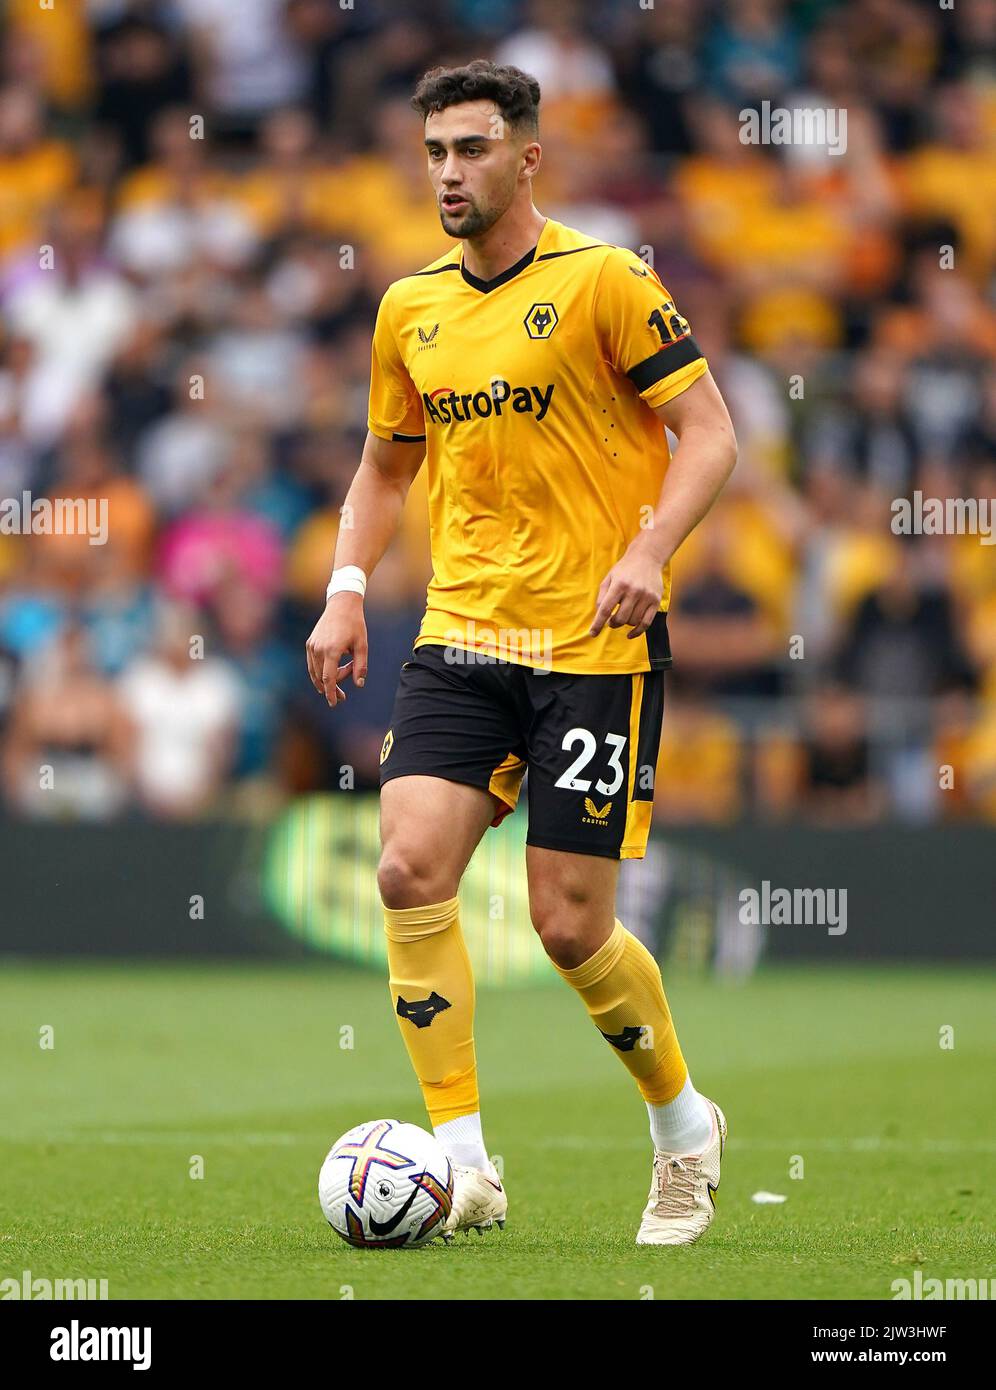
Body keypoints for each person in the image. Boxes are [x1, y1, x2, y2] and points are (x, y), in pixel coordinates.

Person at [306, 60, 738, 1246]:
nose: (449, 172)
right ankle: (462, 1163)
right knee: (405, 869)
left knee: (568, 925)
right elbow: (385, 468)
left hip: (594, 644)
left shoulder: (607, 281)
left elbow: (710, 434)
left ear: (527, 157)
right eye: (435, 151)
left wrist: (651, 549)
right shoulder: (410, 308)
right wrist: (347, 591)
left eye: (472, 149)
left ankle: (684, 1127)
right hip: (461, 634)